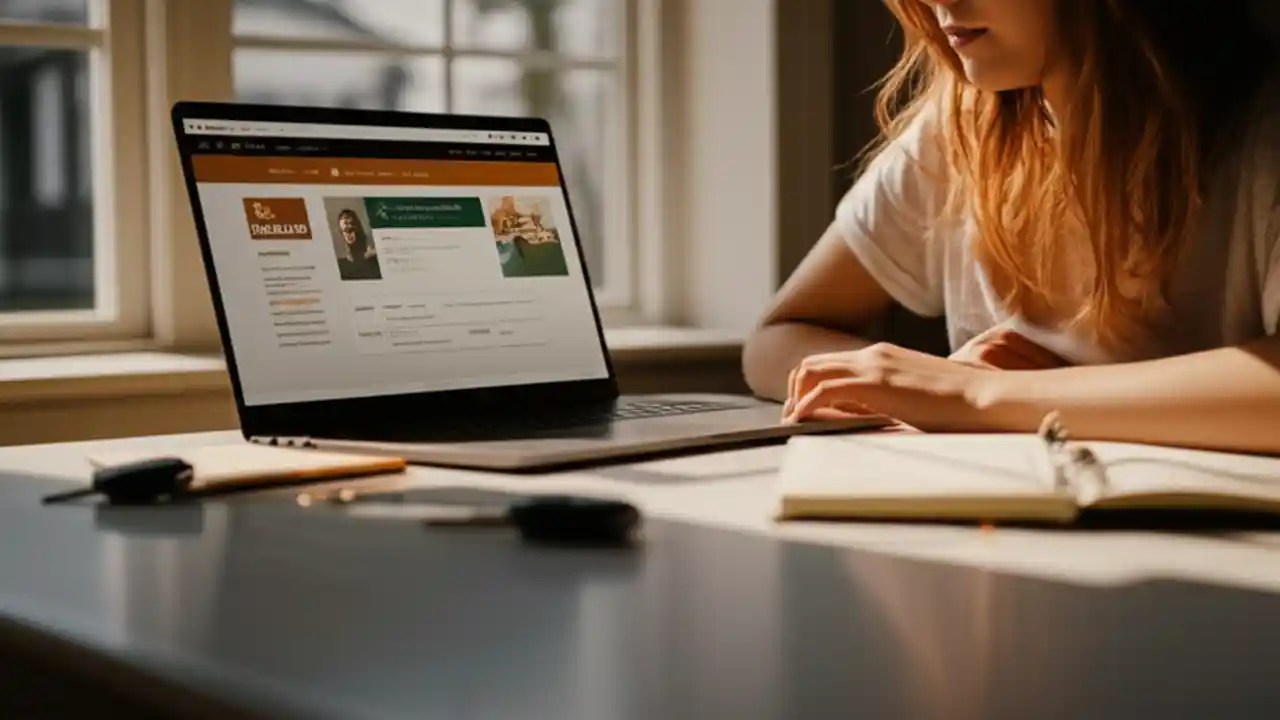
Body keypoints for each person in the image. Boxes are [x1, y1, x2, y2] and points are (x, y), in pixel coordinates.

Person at [742, 0, 1280, 453]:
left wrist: (975, 396)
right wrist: (928, 386)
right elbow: (773, 341)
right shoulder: (961, 132)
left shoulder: (1259, 139)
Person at [335, 208, 381, 281]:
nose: (353, 234)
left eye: (354, 228)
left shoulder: (376, 258)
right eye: (347, 231)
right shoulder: (340, 266)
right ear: (342, 234)